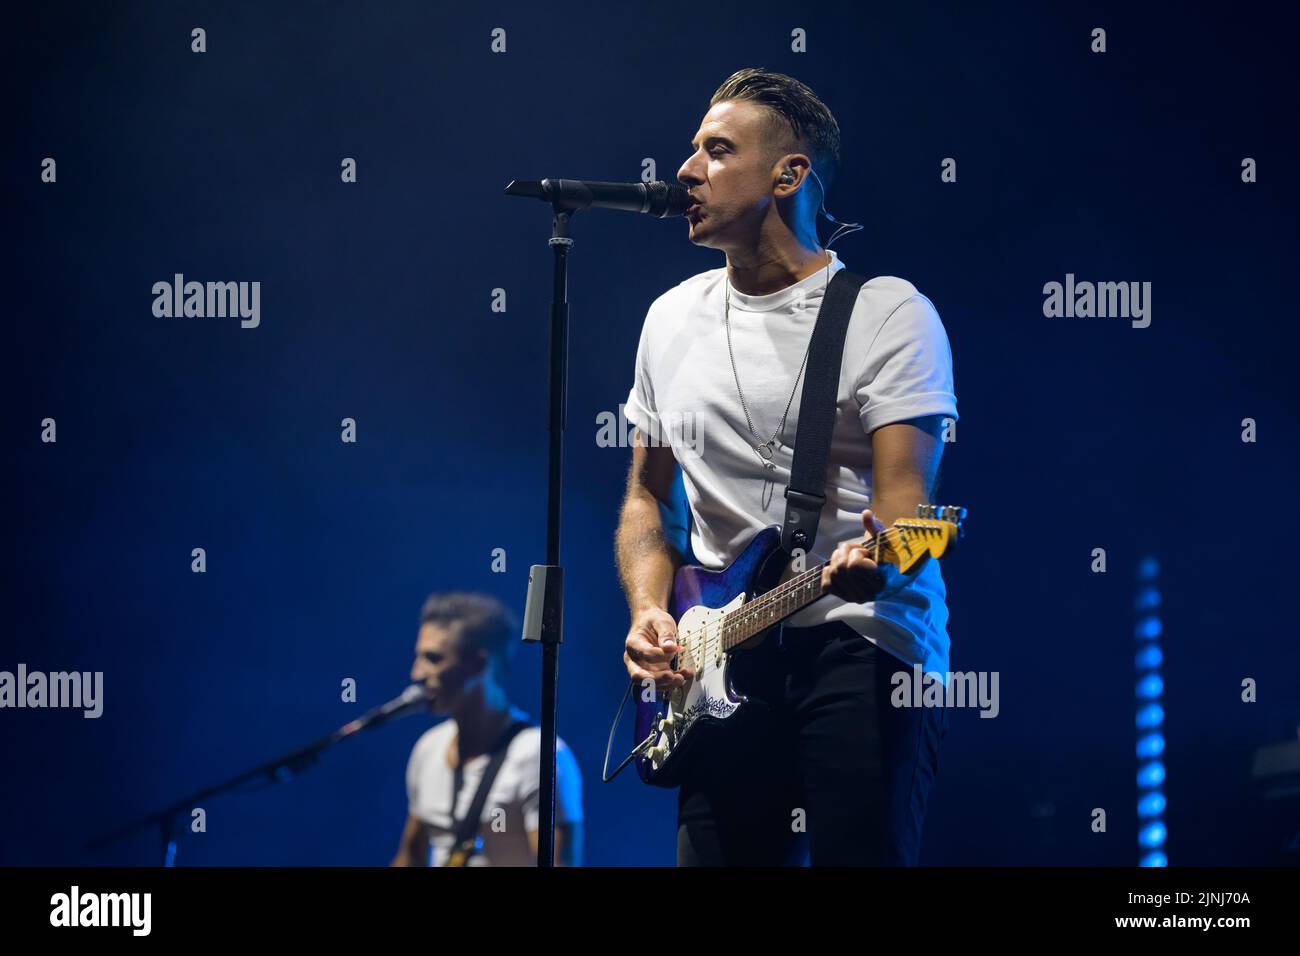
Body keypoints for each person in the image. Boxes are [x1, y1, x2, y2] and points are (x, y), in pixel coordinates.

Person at [617, 68, 957, 866]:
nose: (687, 171)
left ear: (789, 174)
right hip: (716, 660)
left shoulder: (888, 313)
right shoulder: (670, 318)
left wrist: (880, 561)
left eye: (716, 150)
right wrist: (647, 610)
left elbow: (909, 516)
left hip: (858, 642)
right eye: (691, 151)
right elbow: (644, 499)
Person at [391, 592, 583, 866]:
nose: (417, 674)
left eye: (433, 659)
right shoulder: (428, 747)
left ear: (479, 664)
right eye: (419, 658)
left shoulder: (540, 756)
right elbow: (409, 858)